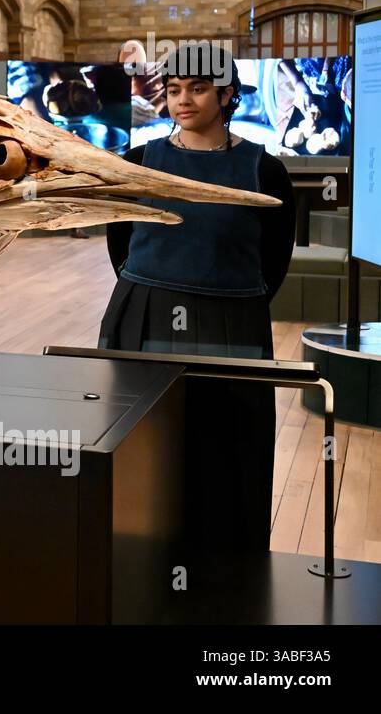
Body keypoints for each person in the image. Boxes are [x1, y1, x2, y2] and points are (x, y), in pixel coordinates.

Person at [99, 43, 296, 558]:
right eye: (174, 90)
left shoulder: (264, 169)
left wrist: (229, 300)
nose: (183, 100)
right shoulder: (140, 162)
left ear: (227, 95)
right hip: (143, 313)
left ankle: (227, 569)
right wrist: (151, 288)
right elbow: (120, 241)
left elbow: (275, 257)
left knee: (227, 448)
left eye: (199, 89)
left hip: (231, 320)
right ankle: (139, 561)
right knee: (145, 445)